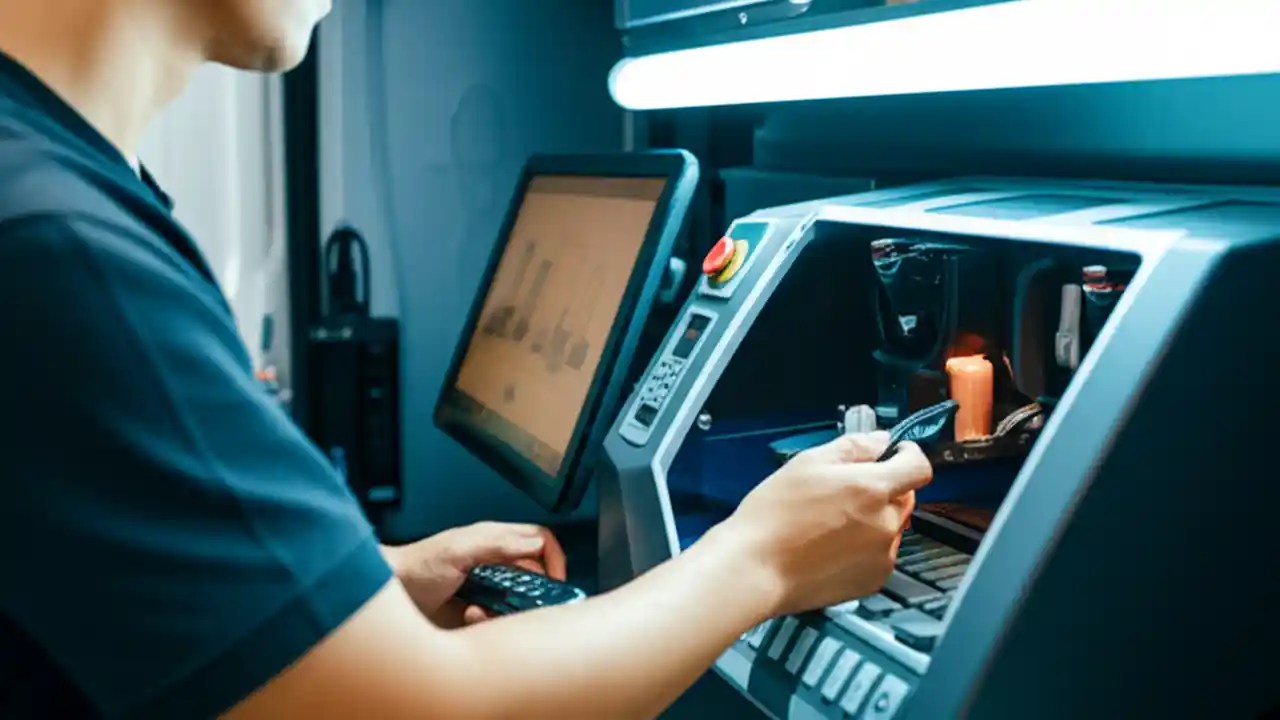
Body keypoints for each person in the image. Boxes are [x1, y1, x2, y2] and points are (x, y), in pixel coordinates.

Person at [0, 0, 933, 718]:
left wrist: (357, 587)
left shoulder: (57, 188)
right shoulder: (55, 248)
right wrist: (764, 558)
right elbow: (417, 712)